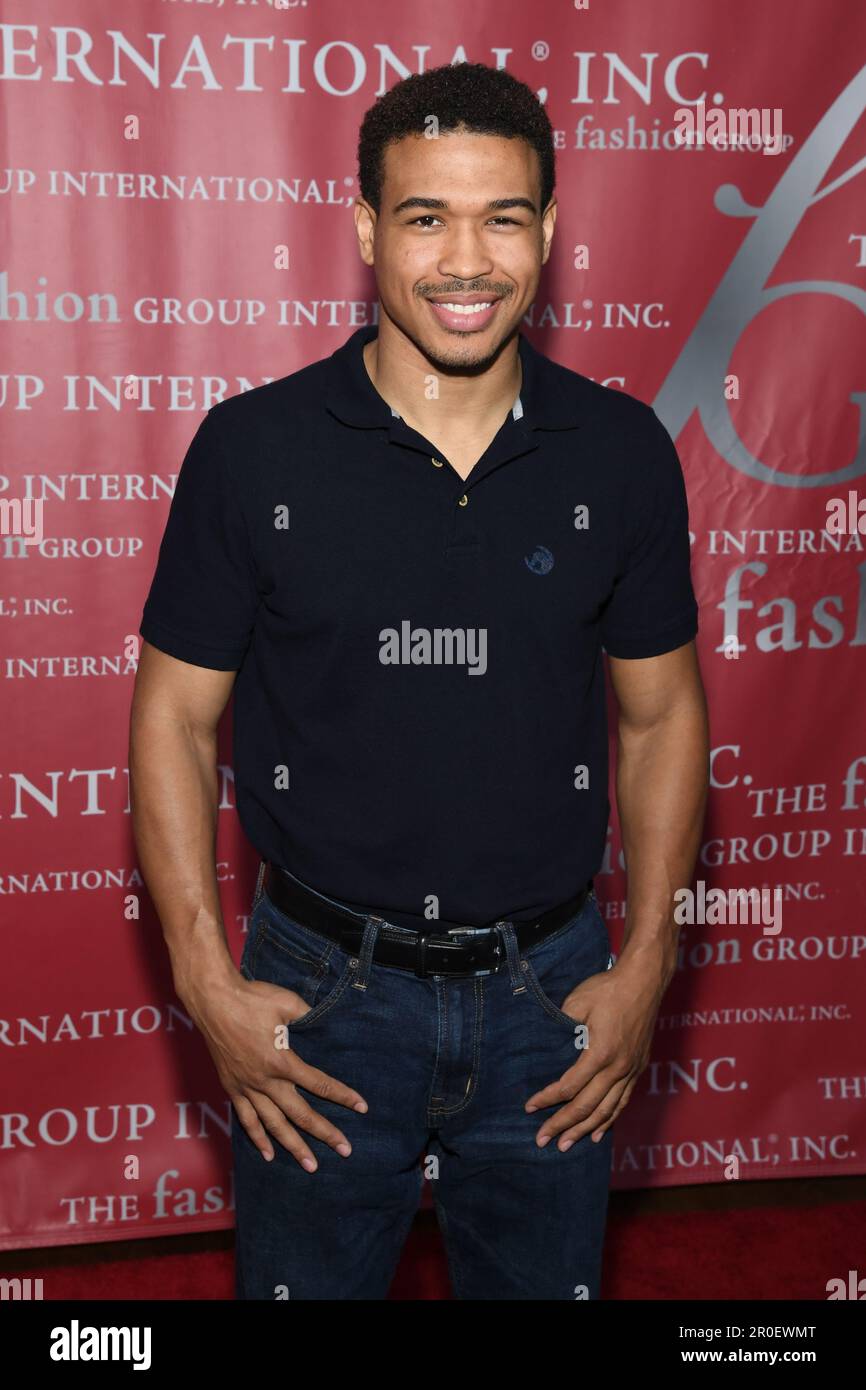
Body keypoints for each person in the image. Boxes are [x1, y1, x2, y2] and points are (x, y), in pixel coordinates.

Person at [130, 61, 709, 1301]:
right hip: (320, 994)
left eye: (502, 217)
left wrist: (648, 957)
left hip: (549, 995)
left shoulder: (620, 453)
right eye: (424, 217)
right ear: (362, 230)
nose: (466, 260)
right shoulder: (250, 450)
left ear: (549, 234)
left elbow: (660, 719)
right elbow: (175, 717)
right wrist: (202, 978)